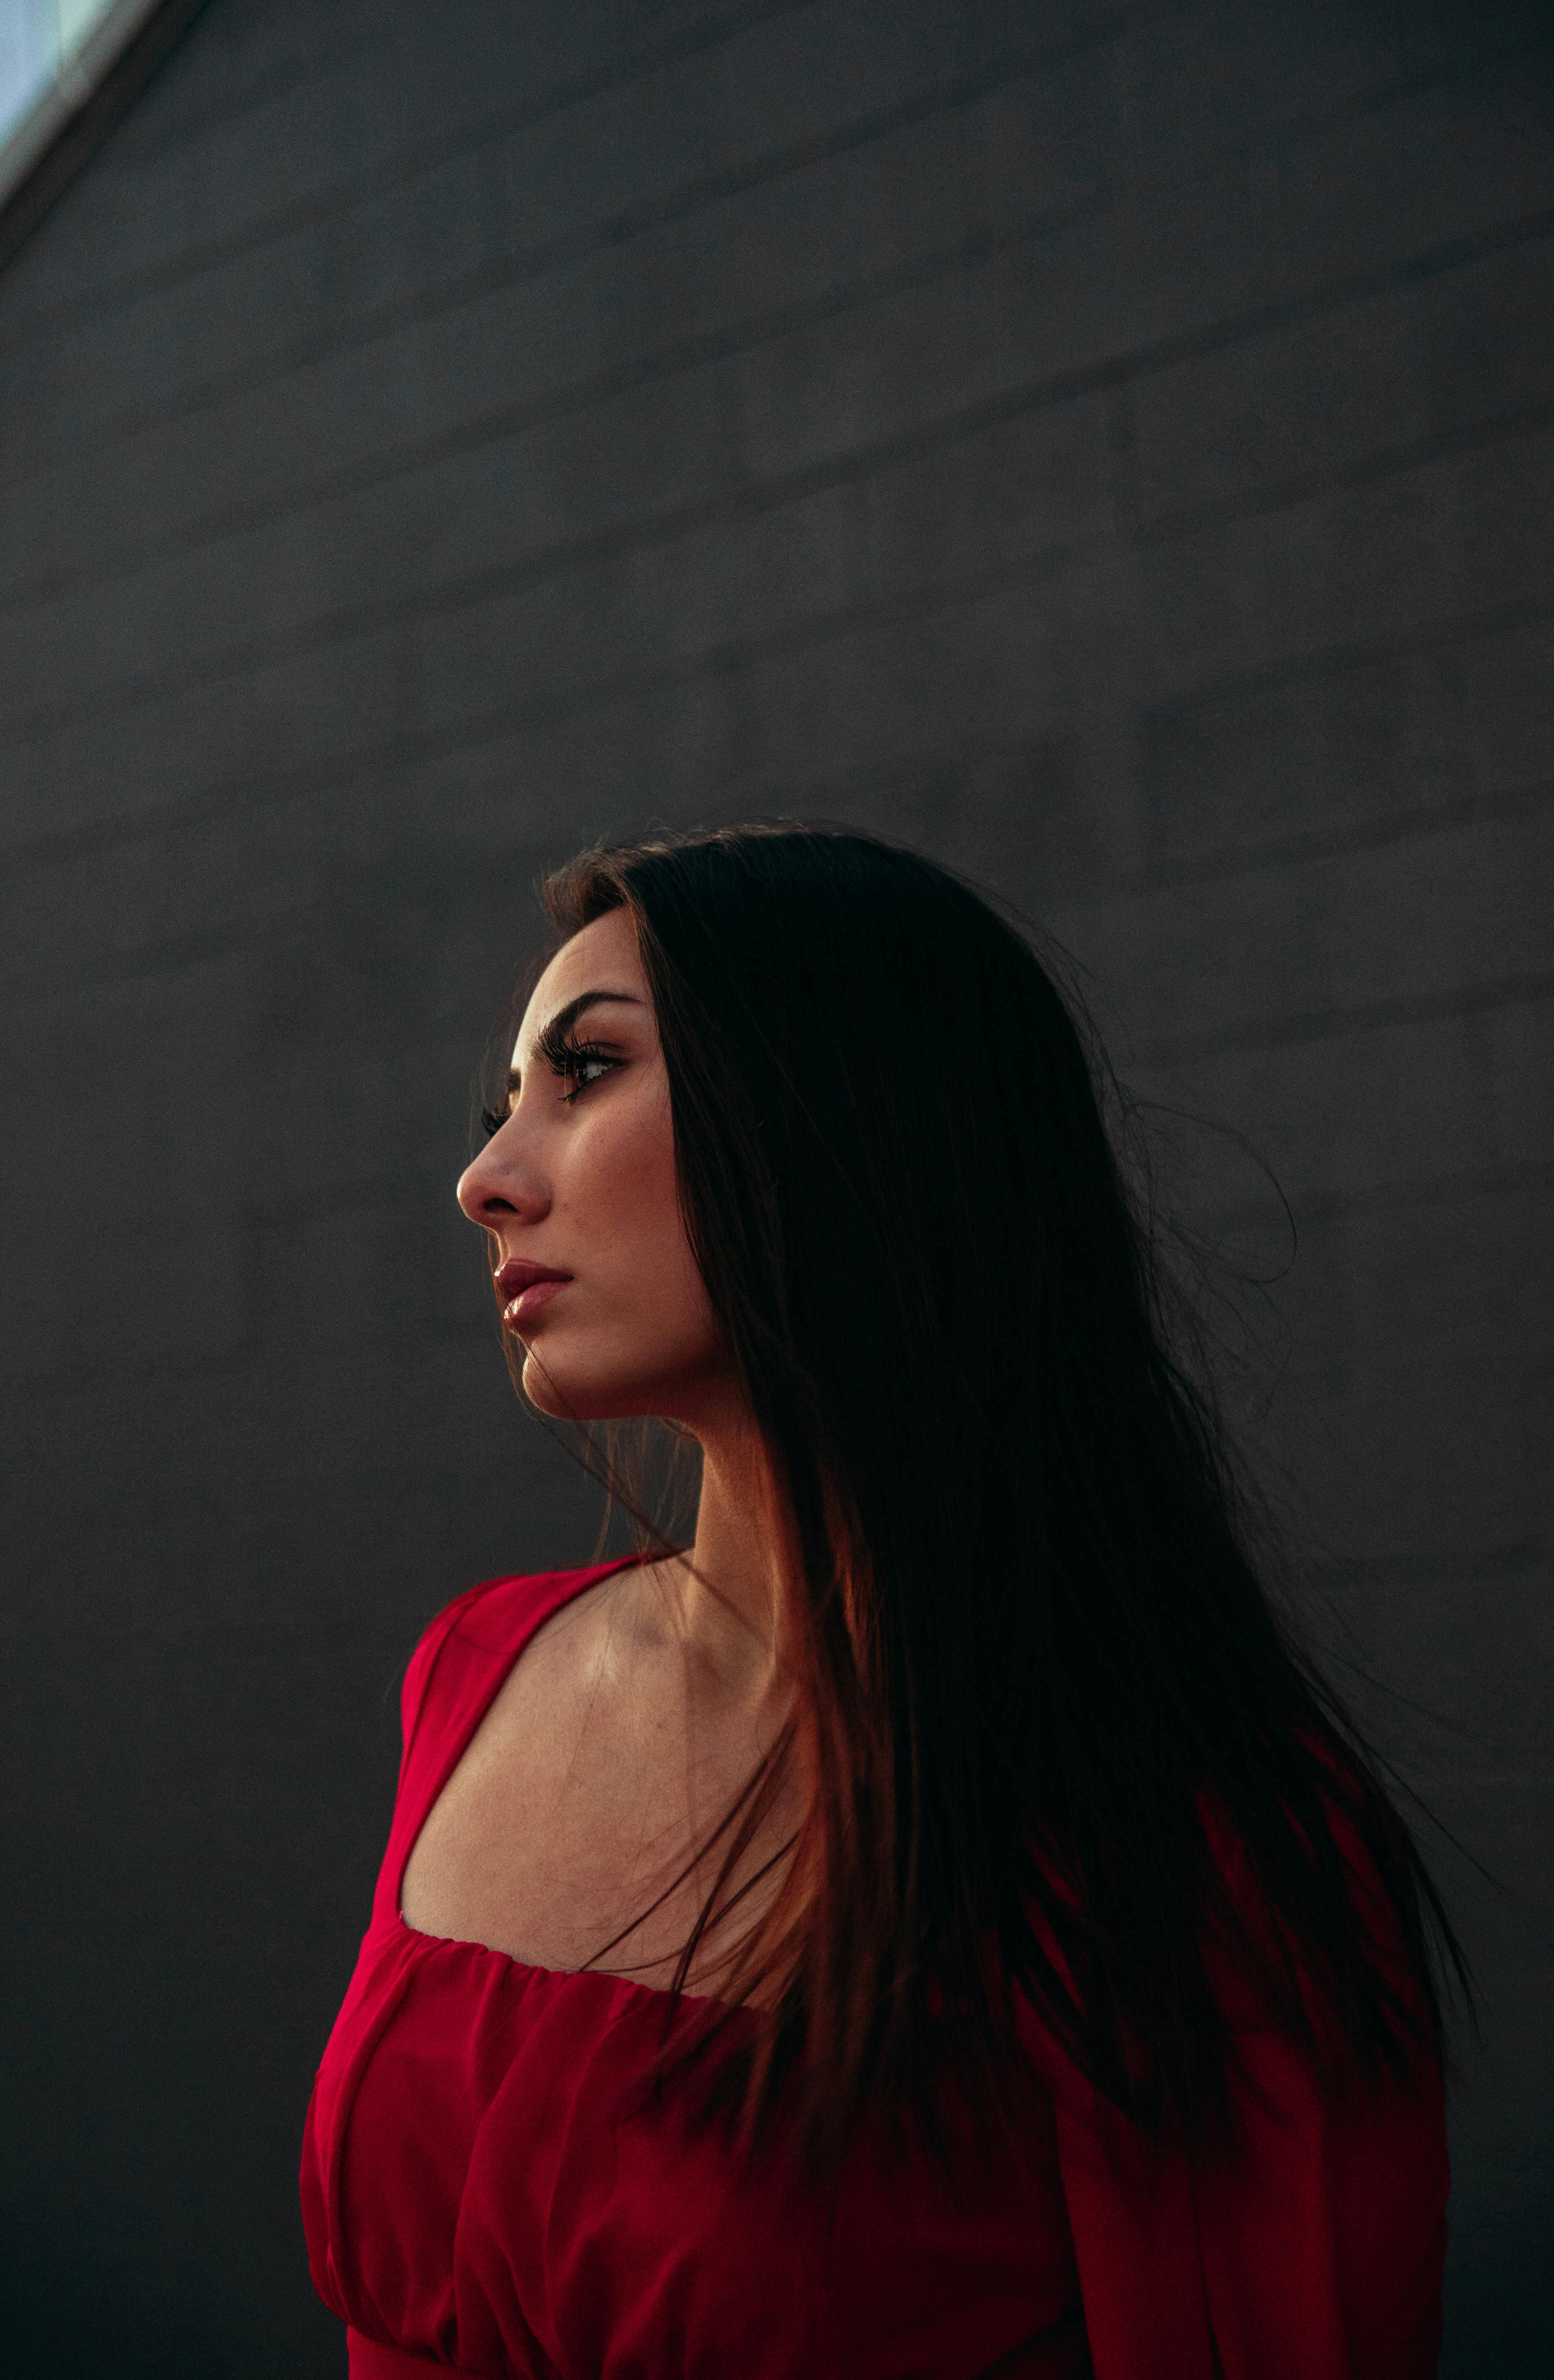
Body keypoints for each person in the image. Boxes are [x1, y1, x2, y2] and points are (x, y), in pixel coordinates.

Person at [302, 823, 1460, 2379]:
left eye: (587, 1073)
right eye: (507, 1103)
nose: (487, 1181)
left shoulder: (1194, 1849)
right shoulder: (476, 1670)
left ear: (842, 1113)